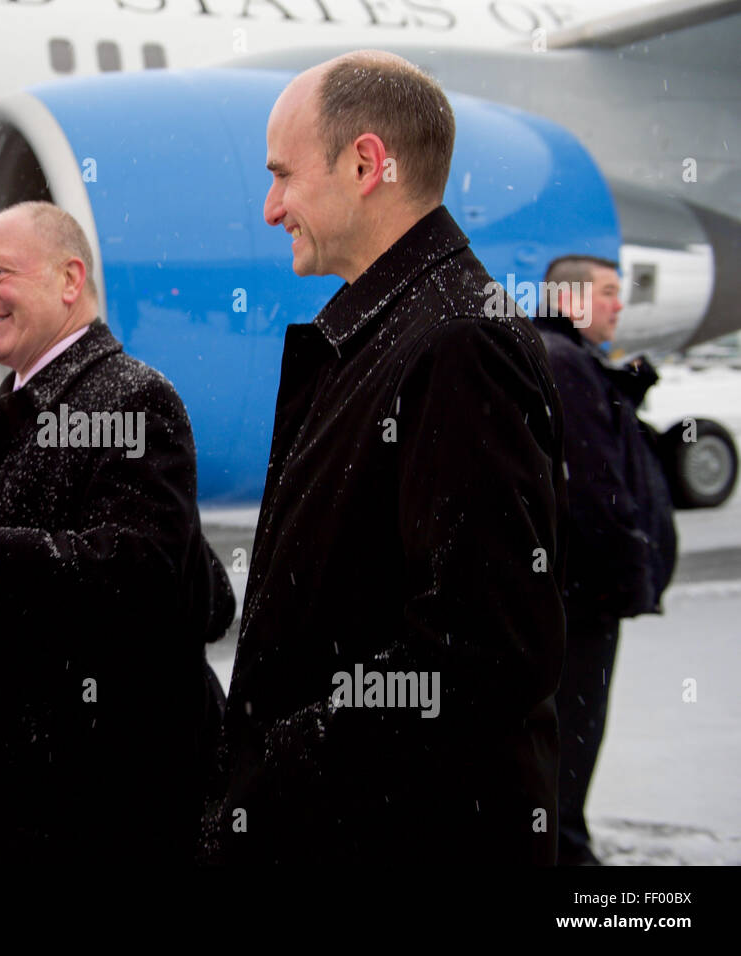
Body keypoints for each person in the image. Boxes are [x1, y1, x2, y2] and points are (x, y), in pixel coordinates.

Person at [201, 51, 568, 865]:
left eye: (283, 176)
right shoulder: (392, 330)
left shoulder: (457, 343)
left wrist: (288, 765)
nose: (270, 208)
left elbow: (487, 643)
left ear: (367, 164)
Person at [0, 201, 235, 862]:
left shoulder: (129, 396)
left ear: (68, 280)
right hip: (41, 794)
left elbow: (144, 570)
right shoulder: (17, 402)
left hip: (112, 802)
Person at [534, 254, 677, 865]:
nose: (621, 304)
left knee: (565, 744)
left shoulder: (571, 360)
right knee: (569, 743)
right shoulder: (564, 363)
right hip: (583, 601)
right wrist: (624, 580)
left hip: (579, 595)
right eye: (609, 292)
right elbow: (594, 493)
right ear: (571, 300)